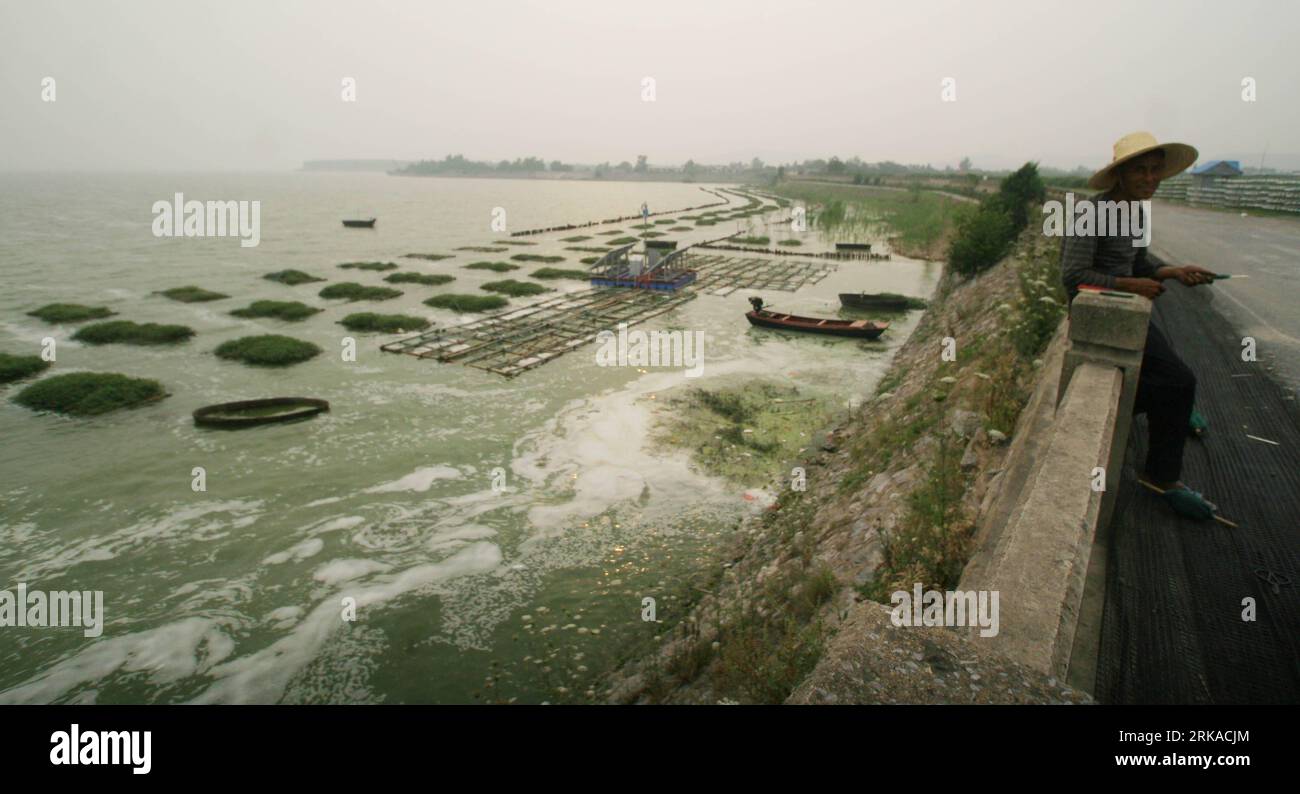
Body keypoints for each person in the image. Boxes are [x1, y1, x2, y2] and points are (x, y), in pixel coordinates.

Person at [1059, 131, 1218, 519]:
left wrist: (1176, 272)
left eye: (1155, 172)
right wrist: (1131, 285)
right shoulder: (1089, 213)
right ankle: (1162, 477)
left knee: (1174, 382)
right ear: (1121, 175)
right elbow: (1073, 275)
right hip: (1102, 316)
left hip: (1127, 309)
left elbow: (1140, 266)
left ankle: (1160, 423)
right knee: (1179, 383)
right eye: (1141, 172)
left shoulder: (1136, 213)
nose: (1150, 179)